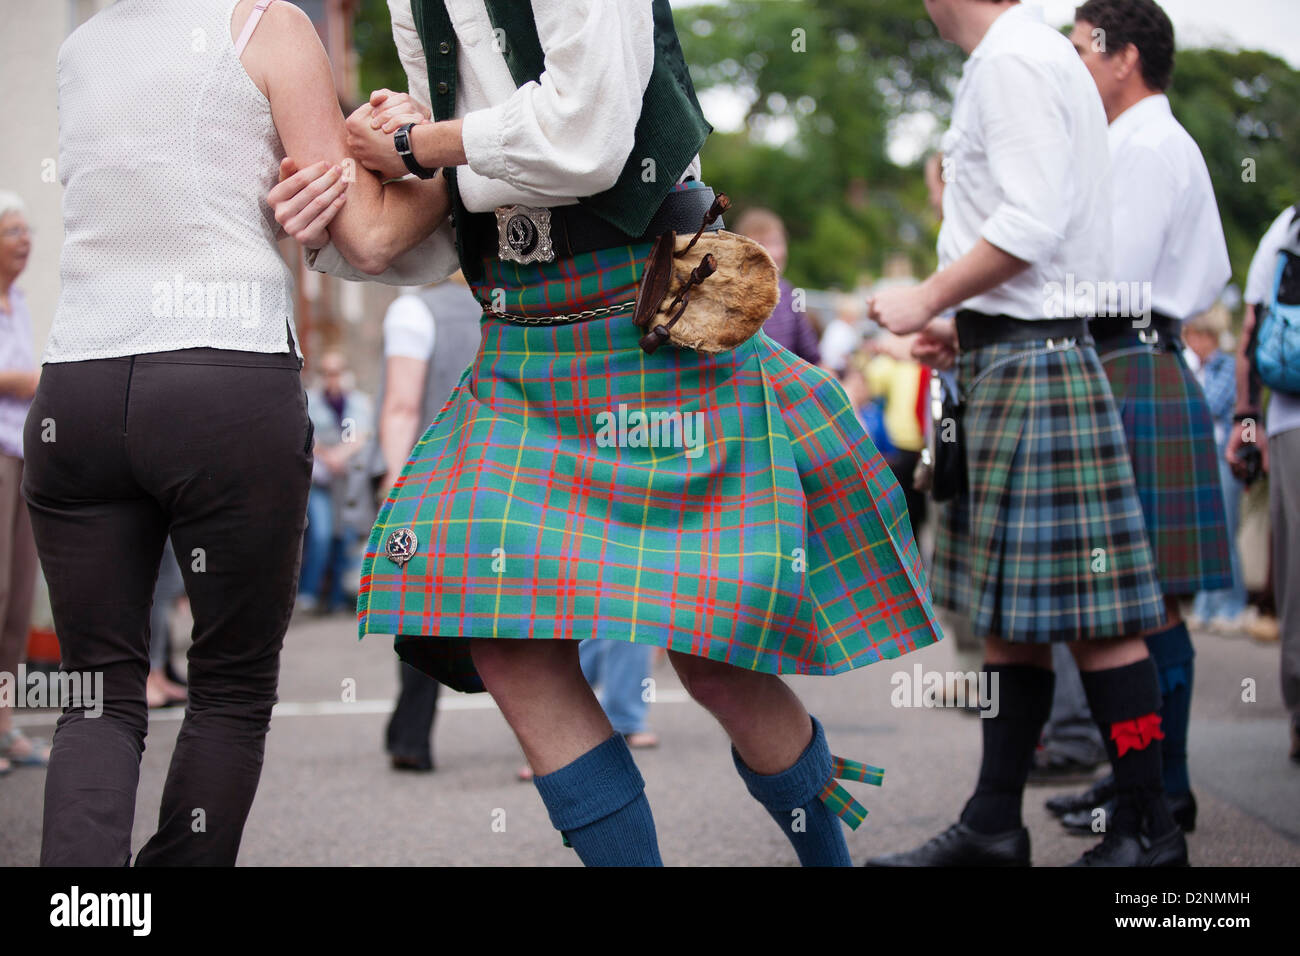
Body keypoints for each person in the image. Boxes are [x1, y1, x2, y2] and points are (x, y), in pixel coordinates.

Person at [277, 0, 942, 867]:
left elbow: (583, 134)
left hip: (649, 311)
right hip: (518, 328)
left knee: (715, 658)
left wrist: (413, 146)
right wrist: (357, 174)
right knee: (506, 642)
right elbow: (456, 188)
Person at [30, 0, 447, 866]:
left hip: (80, 384)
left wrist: (344, 144)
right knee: (229, 691)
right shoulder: (266, 24)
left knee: (95, 696)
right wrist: (442, 161)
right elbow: (366, 237)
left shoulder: (81, 49)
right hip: (222, 379)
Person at [867, 0, 1181, 867]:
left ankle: (1149, 830)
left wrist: (927, 298)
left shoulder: (1011, 60)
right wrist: (962, 325)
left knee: (1101, 621)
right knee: (1014, 621)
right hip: (1015, 358)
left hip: (1035, 369)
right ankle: (994, 822)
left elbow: (1033, 222)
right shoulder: (1029, 57)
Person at [1037, 1, 1234, 838]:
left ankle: (1164, 790)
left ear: (1124, 57)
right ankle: (1138, 780)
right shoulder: (1134, 142)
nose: (1074, 64)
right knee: (1131, 601)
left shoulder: (1151, 145)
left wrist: (1015, 296)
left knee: (1145, 604)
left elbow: (1111, 279)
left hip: (1130, 359)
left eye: (1081, 48)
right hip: (1128, 364)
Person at [376, 275, 483, 772]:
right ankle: (545, 743)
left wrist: (392, 487)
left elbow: (402, 405)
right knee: (511, 613)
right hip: (499, 484)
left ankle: (411, 737)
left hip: (430, 488)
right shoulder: (501, 307)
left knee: (418, 610)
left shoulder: (414, 310)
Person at [1228, 202, 1300, 764]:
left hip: (1290, 424)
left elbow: (1253, 330)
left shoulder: (1286, 225)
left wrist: (1245, 423)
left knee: (1295, 571)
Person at [0, 192, 46, 775]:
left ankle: (5, 726)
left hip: (24, 451)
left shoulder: (20, 302)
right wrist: (23, 379)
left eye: (26, 229)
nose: (24, 239)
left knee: (15, 600)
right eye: (12, 230)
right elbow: (25, 378)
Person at [1186, 306, 1247, 632]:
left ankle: (1232, 606)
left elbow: (1208, 404)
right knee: (1204, 534)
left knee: (1225, 531)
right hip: (1200, 459)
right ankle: (1205, 606)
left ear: (1207, 336)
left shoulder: (1226, 367)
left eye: (1193, 334)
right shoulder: (1194, 368)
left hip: (1224, 458)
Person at [301, 350, 374, 614]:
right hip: (320, 481)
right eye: (326, 372)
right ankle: (308, 595)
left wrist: (340, 454)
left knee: (346, 538)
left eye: (336, 371)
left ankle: (337, 599)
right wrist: (327, 456)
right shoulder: (310, 401)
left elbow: (363, 434)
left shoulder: (358, 403)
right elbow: (305, 432)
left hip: (349, 482)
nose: (332, 378)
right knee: (320, 535)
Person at [733, 208, 822, 365]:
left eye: (777, 242)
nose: (773, 252)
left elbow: (812, 355)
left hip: (790, 381)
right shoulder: (730, 296)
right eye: (761, 244)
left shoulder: (791, 293)